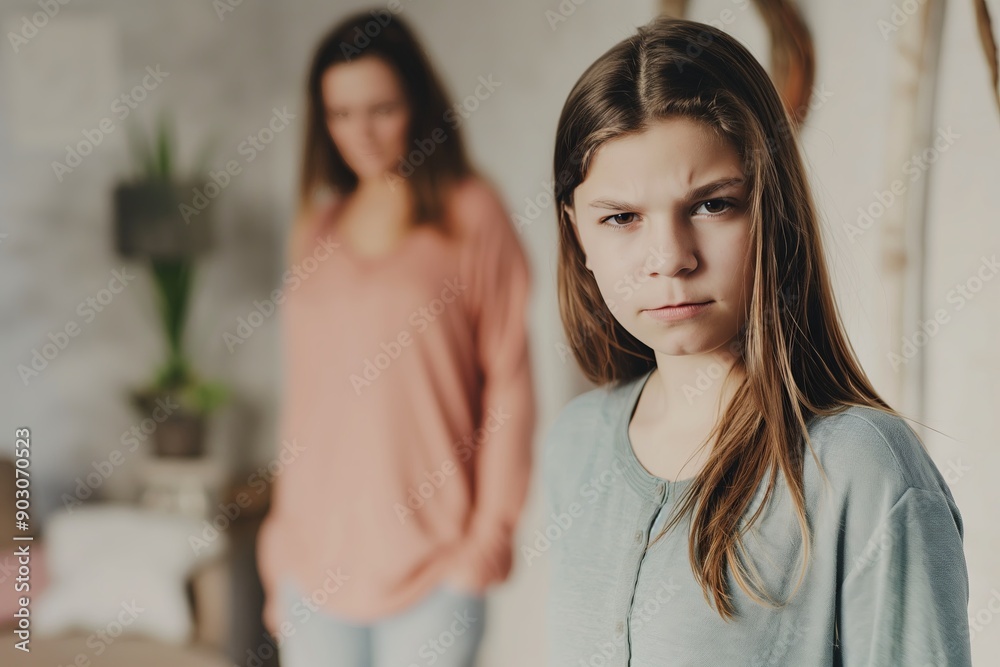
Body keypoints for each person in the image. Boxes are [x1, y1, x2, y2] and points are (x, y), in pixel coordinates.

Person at [543, 16, 971, 666]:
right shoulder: (573, 443)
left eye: (713, 204)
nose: (670, 257)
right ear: (576, 233)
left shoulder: (863, 469)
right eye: (622, 217)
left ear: (774, 206)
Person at [255, 10, 536, 666]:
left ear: (418, 102)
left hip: (434, 566)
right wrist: (278, 544)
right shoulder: (317, 229)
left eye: (381, 108)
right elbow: (306, 398)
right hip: (310, 566)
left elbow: (511, 384)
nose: (362, 133)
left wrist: (486, 539)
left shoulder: (471, 213)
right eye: (340, 113)